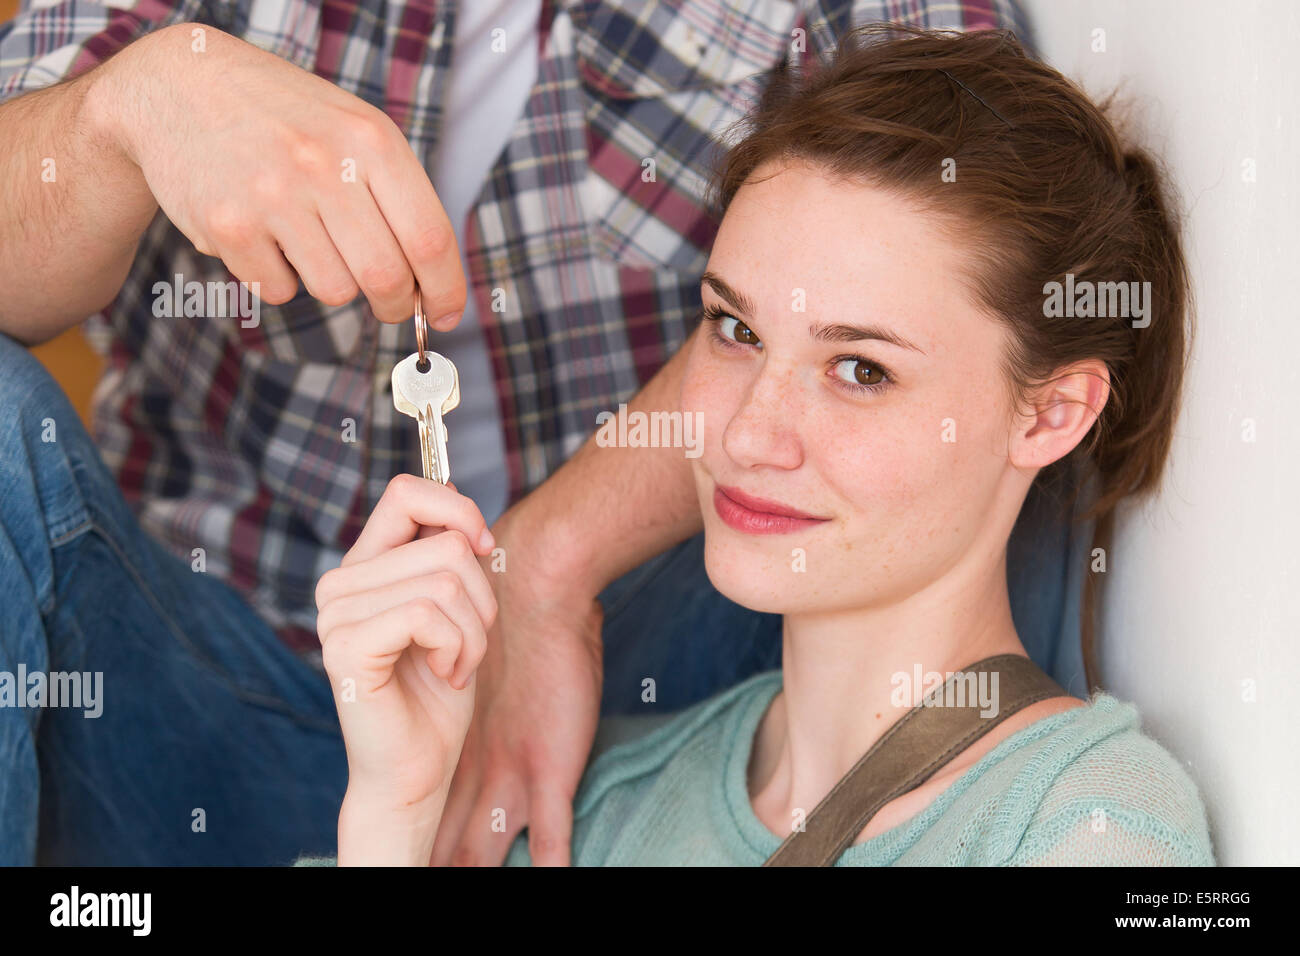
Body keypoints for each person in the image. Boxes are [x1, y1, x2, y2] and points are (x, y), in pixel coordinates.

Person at [0, 0, 1073, 867]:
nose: (757, 427)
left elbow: (977, 264)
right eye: (732, 324)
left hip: (633, 680)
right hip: (198, 681)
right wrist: (132, 107)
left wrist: (544, 565)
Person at [303, 26, 1214, 866]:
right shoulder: (585, 799)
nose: (745, 434)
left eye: (860, 370)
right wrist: (395, 815)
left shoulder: (1093, 820)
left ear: (1051, 414)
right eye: (735, 330)